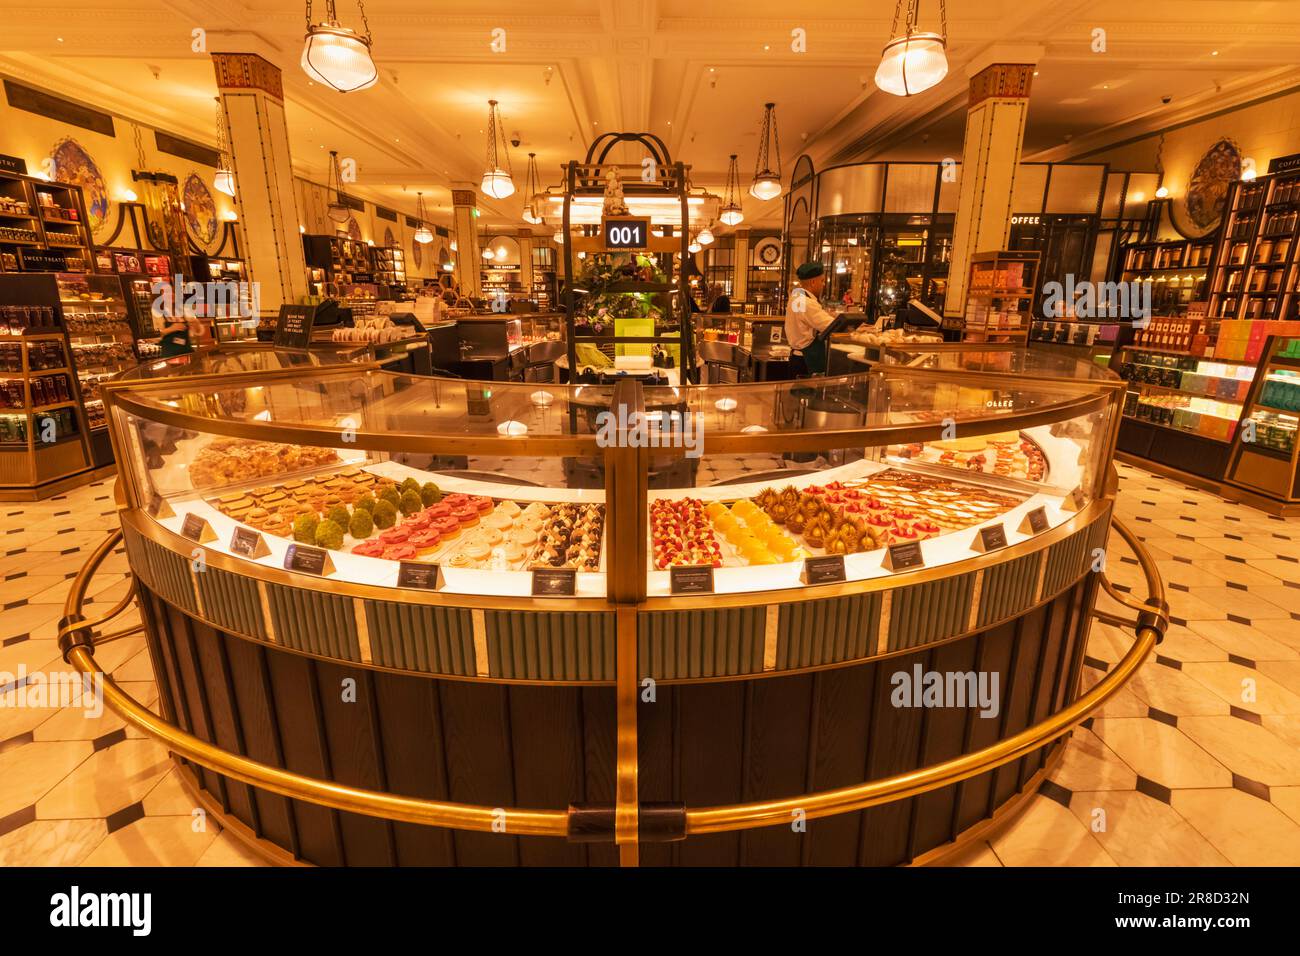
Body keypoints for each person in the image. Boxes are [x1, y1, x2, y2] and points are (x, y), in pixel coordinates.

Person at [784, 261, 837, 376]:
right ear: (813, 282)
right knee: (806, 394)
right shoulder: (807, 303)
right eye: (822, 280)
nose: (823, 285)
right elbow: (830, 326)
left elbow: (807, 319)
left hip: (797, 359)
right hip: (806, 362)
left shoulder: (796, 297)